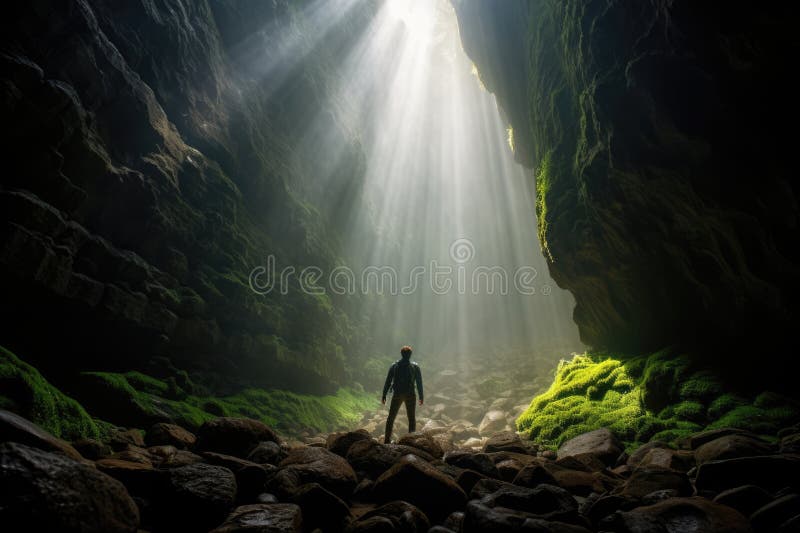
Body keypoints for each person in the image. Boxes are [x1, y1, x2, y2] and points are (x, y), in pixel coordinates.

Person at [382, 345, 424, 444]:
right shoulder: (415, 366)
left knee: (391, 417)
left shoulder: (394, 366)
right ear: (410, 355)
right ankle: (411, 440)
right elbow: (419, 383)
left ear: (401, 354)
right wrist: (421, 396)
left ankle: (387, 440)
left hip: (397, 394)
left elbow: (388, 381)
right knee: (411, 418)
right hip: (410, 394)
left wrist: (384, 394)